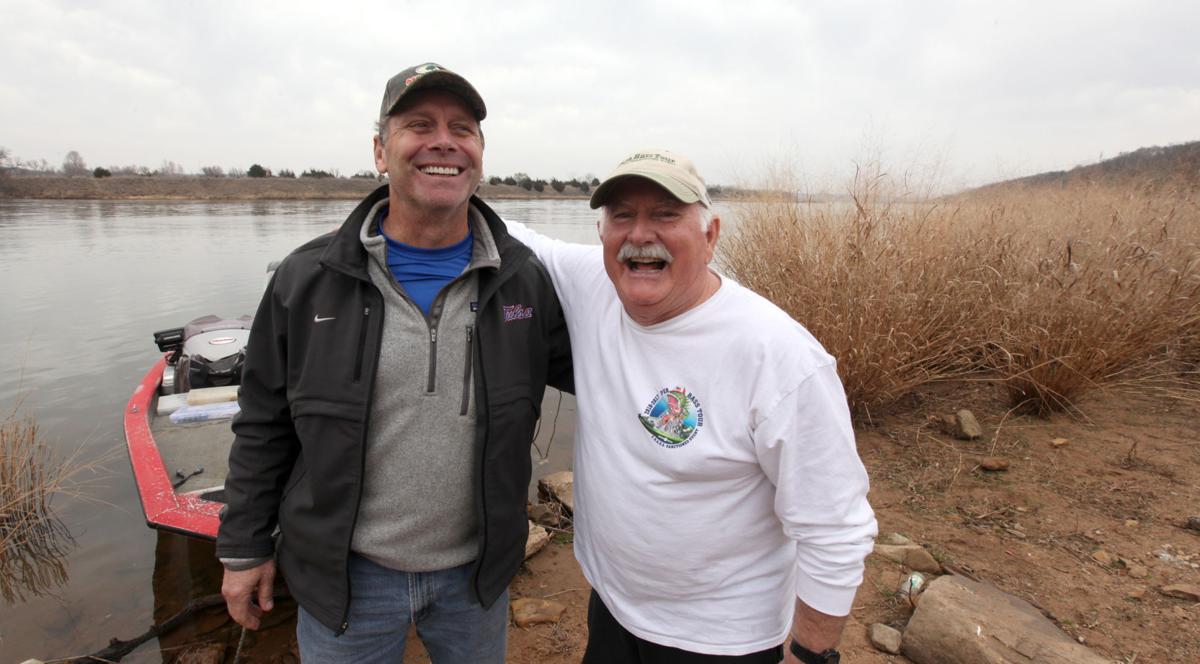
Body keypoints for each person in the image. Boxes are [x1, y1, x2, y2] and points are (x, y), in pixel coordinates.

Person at [214, 63, 572, 663]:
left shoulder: (523, 281)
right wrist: (244, 548)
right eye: (419, 125)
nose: (443, 141)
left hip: (475, 581)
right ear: (381, 151)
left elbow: (609, 376)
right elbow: (261, 422)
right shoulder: (308, 280)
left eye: (463, 128)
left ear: (480, 156)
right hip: (349, 582)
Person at [505, 149, 877, 663]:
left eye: (665, 214)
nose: (639, 233)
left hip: (723, 638)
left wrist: (809, 656)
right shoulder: (594, 283)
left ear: (710, 235)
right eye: (622, 216)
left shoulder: (778, 356)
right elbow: (514, 236)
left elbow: (835, 528)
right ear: (601, 234)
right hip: (613, 607)